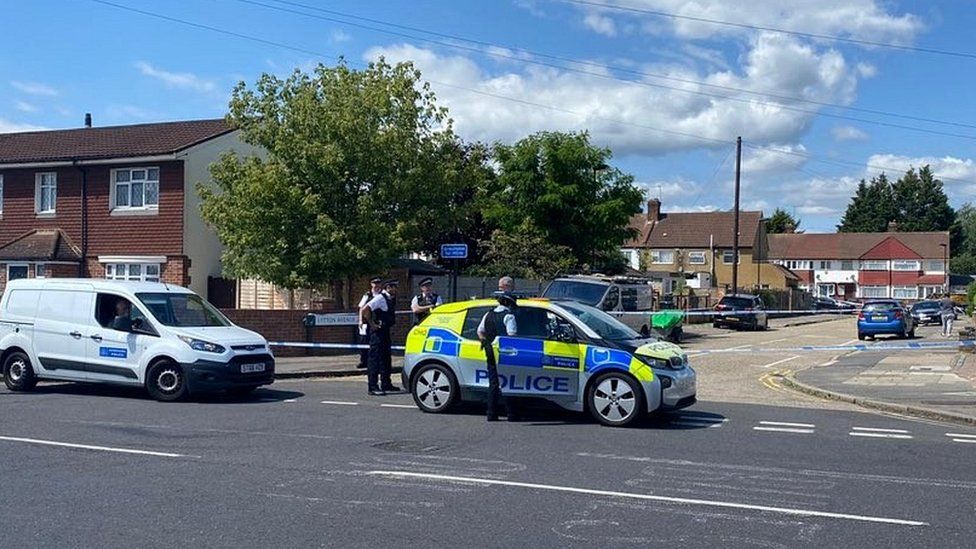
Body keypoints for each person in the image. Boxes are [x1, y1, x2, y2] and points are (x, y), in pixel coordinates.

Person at [477, 291, 519, 422]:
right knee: (508, 382)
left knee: (493, 383)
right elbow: (512, 336)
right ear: (507, 303)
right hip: (506, 353)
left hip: (490, 351)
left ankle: (491, 413)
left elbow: (480, 331)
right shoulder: (509, 317)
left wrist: (486, 343)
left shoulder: (488, 314)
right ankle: (511, 414)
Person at [361, 279, 401, 395]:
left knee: (386, 358)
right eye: (394, 287)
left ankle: (386, 383)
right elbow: (365, 309)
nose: (396, 289)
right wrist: (372, 324)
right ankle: (373, 387)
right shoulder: (380, 298)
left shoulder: (390, 298)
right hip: (378, 332)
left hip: (385, 331)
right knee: (374, 359)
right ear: (388, 287)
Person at [356, 277, 384, 369]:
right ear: (371, 284)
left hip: (376, 322)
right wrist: (360, 320)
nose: (376, 285)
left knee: (376, 343)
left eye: (378, 283)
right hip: (366, 323)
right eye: (374, 283)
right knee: (364, 341)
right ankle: (364, 361)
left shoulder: (382, 295)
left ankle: (376, 362)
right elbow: (361, 308)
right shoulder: (367, 295)